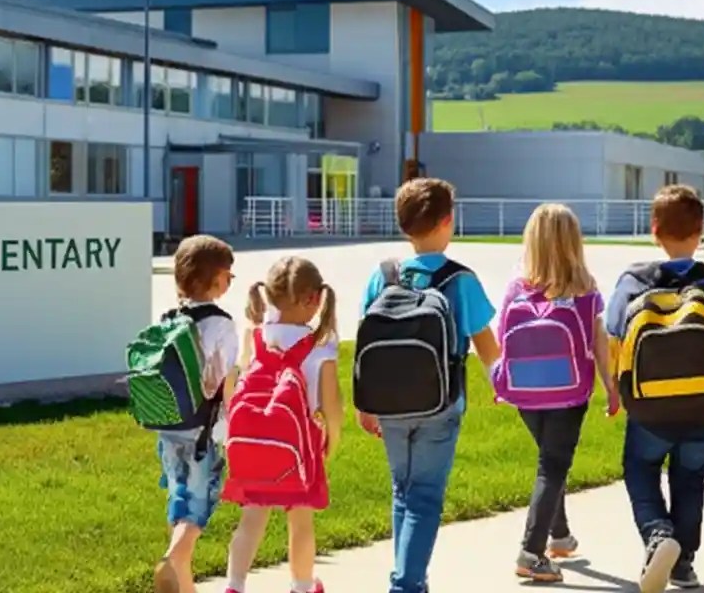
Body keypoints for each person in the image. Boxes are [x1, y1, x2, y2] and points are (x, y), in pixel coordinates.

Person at [356, 177, 501, 593]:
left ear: (404, 226)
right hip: (440, 405)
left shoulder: (381, 276)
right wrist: (501, 383)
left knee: (403, 491)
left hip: (387, 404)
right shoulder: (460, 280)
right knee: (424, 497)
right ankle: (405, 585)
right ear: (447, 222)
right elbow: (488, 348)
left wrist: (365, 404)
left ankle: (410, 580)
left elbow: (369, 342)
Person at [605, 185, 704, 592]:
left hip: (649, 408)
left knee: (639, 470)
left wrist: (614, 388)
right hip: (701, 406)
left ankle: (658, 534)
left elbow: (613, 335)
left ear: (654, 229)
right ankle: (684, 563)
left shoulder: (632, 281)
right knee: (691, 479)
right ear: (701, 230)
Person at [493, 204, 618, 582]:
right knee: (553, 465)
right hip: (568, 393)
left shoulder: (517, 287)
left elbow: (502, 339)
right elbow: (599, 343)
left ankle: (559, 536)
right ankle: (531, 553)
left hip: (525, 393)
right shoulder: (585, 288)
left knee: (551, 461)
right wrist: (611, 387)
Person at [221, 256, 342, 593]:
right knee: (300, 521)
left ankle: (235, 584)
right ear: (315, 299)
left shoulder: (255, 337)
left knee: (251, 518)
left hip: (256, 441)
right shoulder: (321, 345)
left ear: (269, 296)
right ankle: (303, 585)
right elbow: (332, 402)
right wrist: (334, 435)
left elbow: (238, 384)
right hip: (301, 447)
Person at [150, 235, 239, 593]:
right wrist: (233, 428)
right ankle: (172, 558)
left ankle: (183, 582)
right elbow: (225, 382)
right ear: (216, 279)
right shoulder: (221, 324)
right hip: (204, 433)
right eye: (228, 275)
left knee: (180, 499)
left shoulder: (170, 319)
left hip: (169, 429)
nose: (230, 282)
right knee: (199, 506)